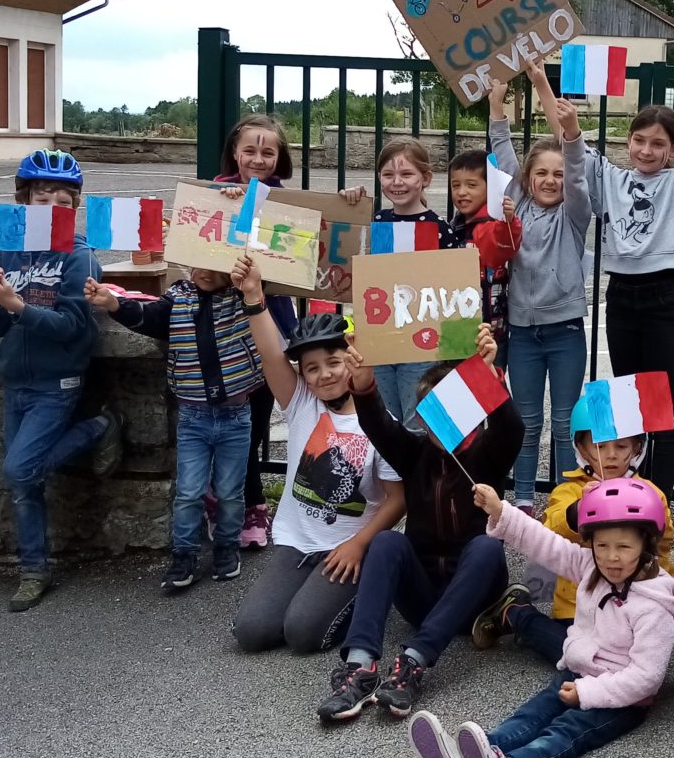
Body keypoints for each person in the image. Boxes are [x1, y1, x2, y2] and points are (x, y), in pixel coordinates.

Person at [406, 478, 674, 758]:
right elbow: (547, 545)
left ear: (647, 544)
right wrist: (502, 511)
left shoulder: (655, 605)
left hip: (622, 700)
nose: (612, 557)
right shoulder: (591, 566)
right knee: (530, 715)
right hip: (577, 673)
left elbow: (646, 677)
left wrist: (588, 693)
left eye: (624, 547)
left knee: (565, 732)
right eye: (602, 546)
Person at [314, 323, 520, 722]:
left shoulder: (489, 454)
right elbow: (377, 425)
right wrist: (365, 383)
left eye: (453, 408)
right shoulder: (415, 453)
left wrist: (490, 375)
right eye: (430, 411)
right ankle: (359, 667)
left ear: (474, 411)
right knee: (388, 543)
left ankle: (413, 663)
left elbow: (512, 429)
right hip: (423, 597)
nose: (440, 420)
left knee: (487, 545)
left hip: (474, 600)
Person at [0, 150, 121, 612]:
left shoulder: (79, 258)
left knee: (19, 469)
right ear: (24, 201)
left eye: (65, 201)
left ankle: (99, 427)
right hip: (15, 378)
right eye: (44, 199)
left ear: (75, 207)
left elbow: (73, 328)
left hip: (56, 382)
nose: (54, 208)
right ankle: (33, 568)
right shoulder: (10, 249)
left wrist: (17, 304)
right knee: (25, 483)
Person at [583, 28, 674, 493]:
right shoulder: (612, 179)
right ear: (629, 141)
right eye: (639, 140)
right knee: (624, 399)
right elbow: (568, 141)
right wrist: (542, 81)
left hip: (663, 300)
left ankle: (658, 500)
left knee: (659, 402)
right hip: (621, 296)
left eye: (658, 144)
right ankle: (622, 490)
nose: (646, 150)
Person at [224, 298, 406, 654]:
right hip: (298, 542)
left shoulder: (381, 425)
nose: (324, 374)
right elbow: (271, 352)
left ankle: (366, 585)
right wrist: (253, 300)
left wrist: (358, 544)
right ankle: (310, 593)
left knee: (302, 634)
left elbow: (398, 499)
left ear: (350, 360)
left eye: (334, 363)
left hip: (348, 546)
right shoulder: (302, 403)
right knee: (252, 632)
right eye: (312, 368)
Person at [86, 266, 265, 590]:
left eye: (214, 267)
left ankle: (226, 547)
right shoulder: (177, 298)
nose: (204, 273)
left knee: (229, 491)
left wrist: (249, 282)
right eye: (198, 265)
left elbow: (267, 294)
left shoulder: (242, 297)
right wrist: (112, 303)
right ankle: (184, 555)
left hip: (235, 416)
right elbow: (148, 317)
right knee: (188, 493)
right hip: (193, 418)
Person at [468, 397, 674, 663]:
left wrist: (664, 597)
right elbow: (550, 531)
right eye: (600, 446)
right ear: (582, 447)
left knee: (646, 653)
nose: (611, 454)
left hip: (633, 601)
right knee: (582, 657)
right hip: (579, 603)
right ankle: (517, 613)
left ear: (637, 447)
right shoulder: (569, 490)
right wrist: (580, 509)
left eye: (622, 445)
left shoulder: (650, 493)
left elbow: (663, 546)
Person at [486, 62, 590, 513]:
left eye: (558, 174)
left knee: (566, 423)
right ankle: (525, 499)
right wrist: (496, 107)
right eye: (541, 173)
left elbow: (577, 166)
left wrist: (568, 136)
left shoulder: (576, 213)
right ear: (528, 178)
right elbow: (503, 152)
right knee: (527, 422)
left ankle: (564, 500)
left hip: (566, 331)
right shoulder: (519, 205)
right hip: (524, 333)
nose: (551, 180)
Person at [215, 113, 299, 549]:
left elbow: (323, 239)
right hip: (225, 327)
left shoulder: (290, 202)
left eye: (268, 151)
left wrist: (347, 197)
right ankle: (238, 499)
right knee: (233, 419)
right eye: (250, 150)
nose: (259, 158)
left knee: (259, 420)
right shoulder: (218, 193)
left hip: (270, 322)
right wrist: (228, 201)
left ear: (280, 156)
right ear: (235, 152)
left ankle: (247, 503)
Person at [340, 137, 456, 425]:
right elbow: (338, 236)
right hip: (378, 342)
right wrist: (348, 201)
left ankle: (415, 473)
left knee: (417, 423)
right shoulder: (372, 222)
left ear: (425, 178)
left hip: (422, 346)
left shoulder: (440, 229)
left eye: (406, 174)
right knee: (381, 422)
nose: (397, 182)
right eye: (388, 175)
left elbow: (453, 291)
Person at [446, 149, 522, 369]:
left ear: (491, 190)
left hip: (490, 334)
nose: (461, 192)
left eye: (471, 185)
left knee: (490, 394)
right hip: (456, 331)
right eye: (455, 185)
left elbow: (502, 244)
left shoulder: (491, 224)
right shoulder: (453, 226)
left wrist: (507, 221)